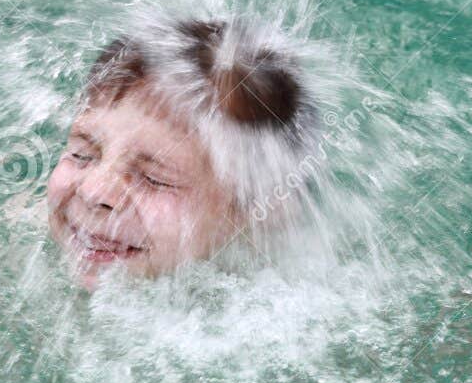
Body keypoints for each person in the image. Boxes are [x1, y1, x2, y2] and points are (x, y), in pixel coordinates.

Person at [45, 17, 321, 287]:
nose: (93, 193)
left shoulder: (292, 292)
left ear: (253, 212)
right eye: (83, 155)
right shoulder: (20, 235)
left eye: (154, 179)